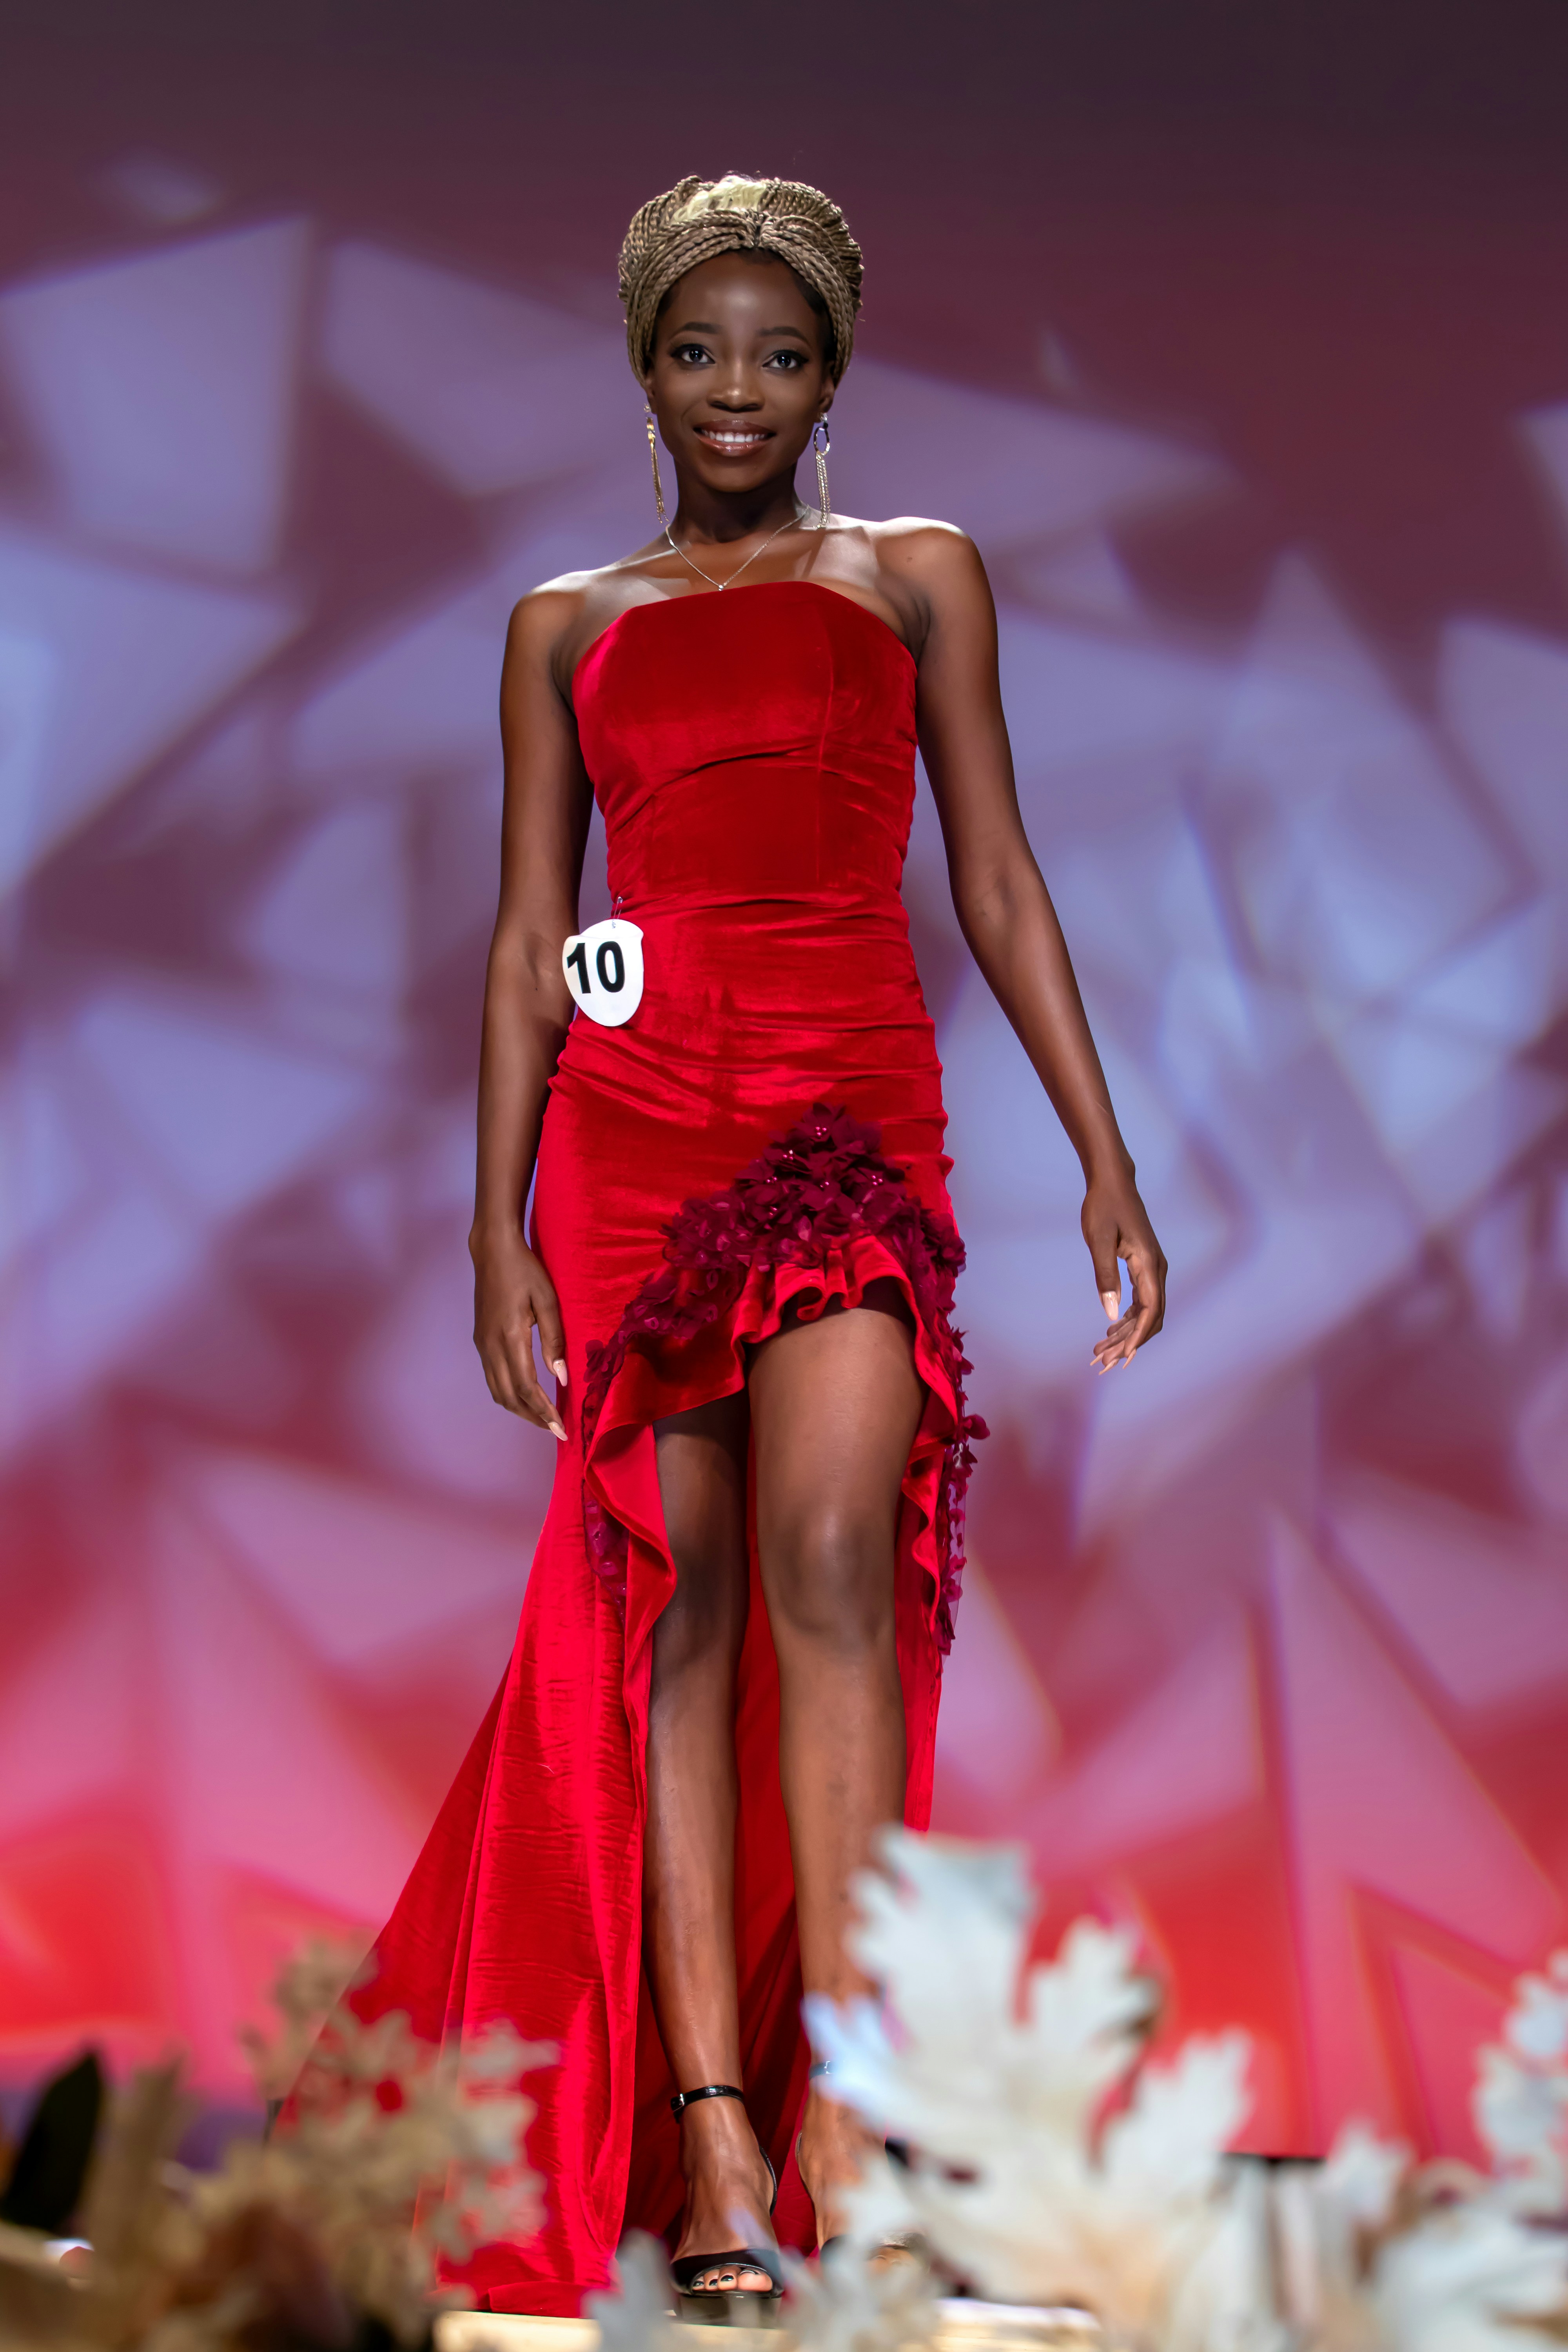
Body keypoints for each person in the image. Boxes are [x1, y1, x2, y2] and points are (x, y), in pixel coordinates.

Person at [351, 173, 1166, 2316]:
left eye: (782, 353)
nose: (742, 388)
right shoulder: (566, 623)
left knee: (834, 1558)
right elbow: (535, 940)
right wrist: (490, 1220)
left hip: (845, 1113)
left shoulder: (913, 581)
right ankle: (712, 2151)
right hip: (634, 1139)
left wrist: (1104, 1151)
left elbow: (995, 879)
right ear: (645, 370)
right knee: (677, 1617)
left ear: (833, 377)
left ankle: (851, 2115)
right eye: (702, 351)